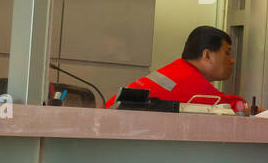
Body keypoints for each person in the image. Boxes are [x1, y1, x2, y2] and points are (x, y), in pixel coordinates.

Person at [105, 26, 251, 112]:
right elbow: (236, 108)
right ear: (207, 55)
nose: (232, 60)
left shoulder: (177, 70)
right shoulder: (188, 80)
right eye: (227, 53)